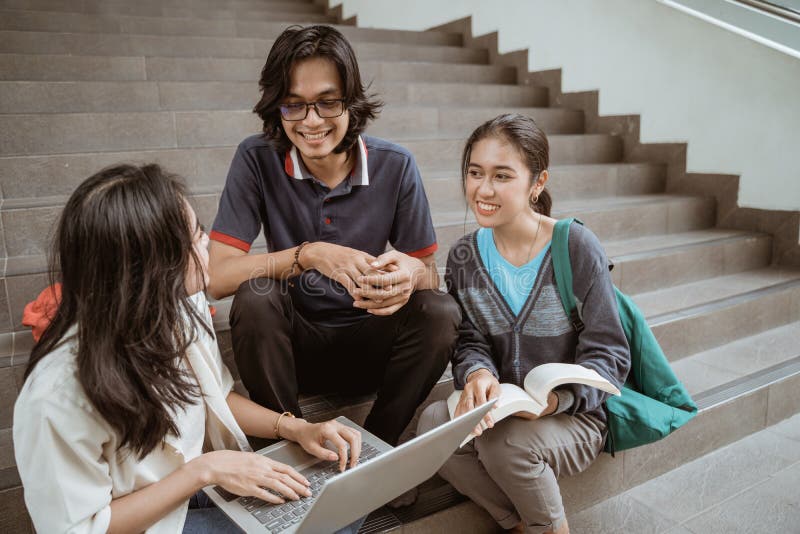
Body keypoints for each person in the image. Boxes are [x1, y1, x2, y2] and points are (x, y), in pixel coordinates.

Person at [13, 164, 364, 534]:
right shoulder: (55, 396)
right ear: (151, 267)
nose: (207, 242)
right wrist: (204, 470)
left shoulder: (179, 305)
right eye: (196, 236)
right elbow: (81, 528)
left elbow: (217, 397)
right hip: (140, 518)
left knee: (344, 499)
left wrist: (297, 428)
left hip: (186, 486)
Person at [207, 25, 460, 446]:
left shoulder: (396, 165)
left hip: (372, 344)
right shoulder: (256, 158)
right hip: (292, 351)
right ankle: (287, 447)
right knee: (255, 297)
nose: (311, 121)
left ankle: (378, 446)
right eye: (294, 105)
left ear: (351, 101)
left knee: (441, 311)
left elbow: (429, 275)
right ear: (277, 106)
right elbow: (217, 277)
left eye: (328, 102)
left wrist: (410, 274)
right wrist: (309, 255)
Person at [418, 114, 631, 534]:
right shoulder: (464, 256)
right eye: (475, 173)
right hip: (503, 408)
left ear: (537, 182)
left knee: (505, 444)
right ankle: (518, 524)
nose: (483, 189)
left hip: (576, 415)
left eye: (502, 176)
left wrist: (556, 401)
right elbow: (469, 339)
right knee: (432, 427)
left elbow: (610, 354)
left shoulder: (575, 246)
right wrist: (477, 373)